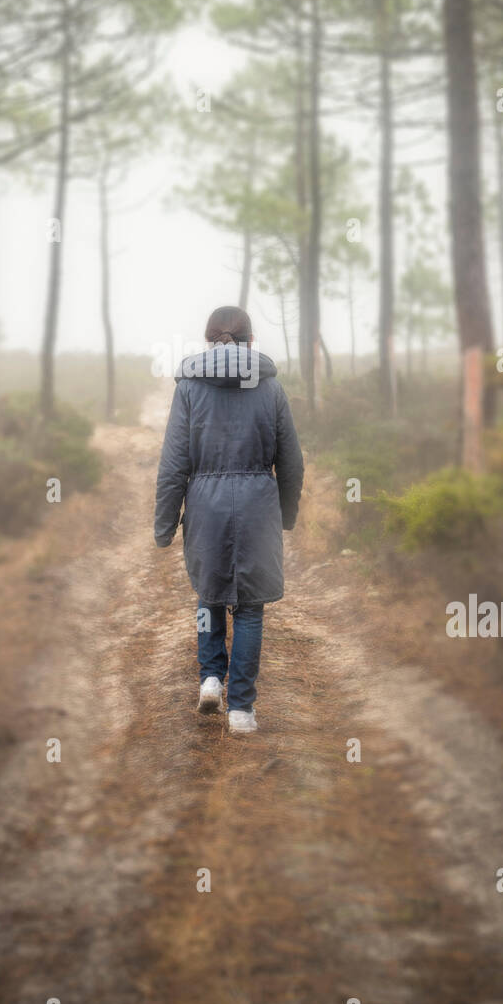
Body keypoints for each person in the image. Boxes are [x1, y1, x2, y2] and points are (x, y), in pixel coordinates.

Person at [153, 306, 304, 734]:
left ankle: (210, 679)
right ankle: (241, 710)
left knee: (209, 595)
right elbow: (291, 462)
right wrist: (286, 514)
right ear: (250, 342)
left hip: (205, 507)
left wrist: (165, 525)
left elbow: (173, 466)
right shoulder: (272, 389)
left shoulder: (188, 390)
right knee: (250, 609)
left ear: (207, 341)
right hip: (258, 509)